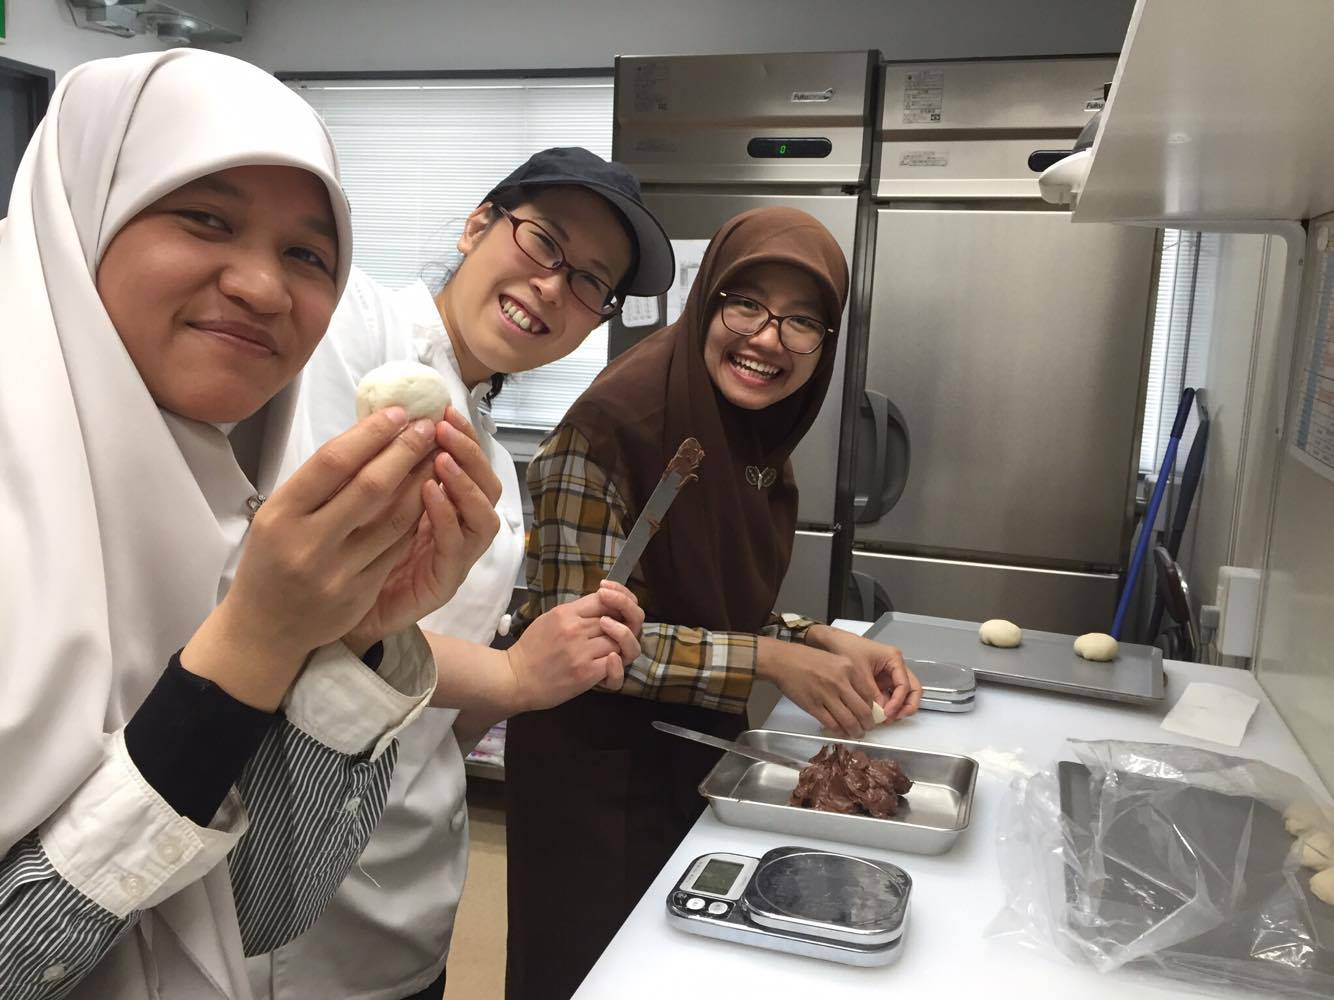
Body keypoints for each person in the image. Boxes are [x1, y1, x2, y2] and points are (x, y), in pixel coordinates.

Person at [0, 49, 501, 1000]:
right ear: (80, 217)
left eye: (308, 255)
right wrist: (249, 646)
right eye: (206, 218)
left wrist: (351, 636)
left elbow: (256, 912)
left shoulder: (237, 518)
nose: (265, 289)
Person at [250, 148, 672, 1000]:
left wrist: (548, 657)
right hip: (290, 877)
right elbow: (298, 610)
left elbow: (442, 702)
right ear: (478, 225)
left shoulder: (497, 463)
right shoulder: (351, 331)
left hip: (414, 873)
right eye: (544, 241)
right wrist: (516, 677)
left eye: (591, 282)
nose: (553, 287)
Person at [504, 207, 925, 999]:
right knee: (589, 975)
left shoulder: (746, 431)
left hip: (691, 756)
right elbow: (578, 645)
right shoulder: (610, 434)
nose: (769, 338)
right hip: (594, 778)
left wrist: (817, 638)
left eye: (803, 321)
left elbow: (695, 592)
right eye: (747, 303)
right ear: (708, 299)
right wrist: (769, 658)